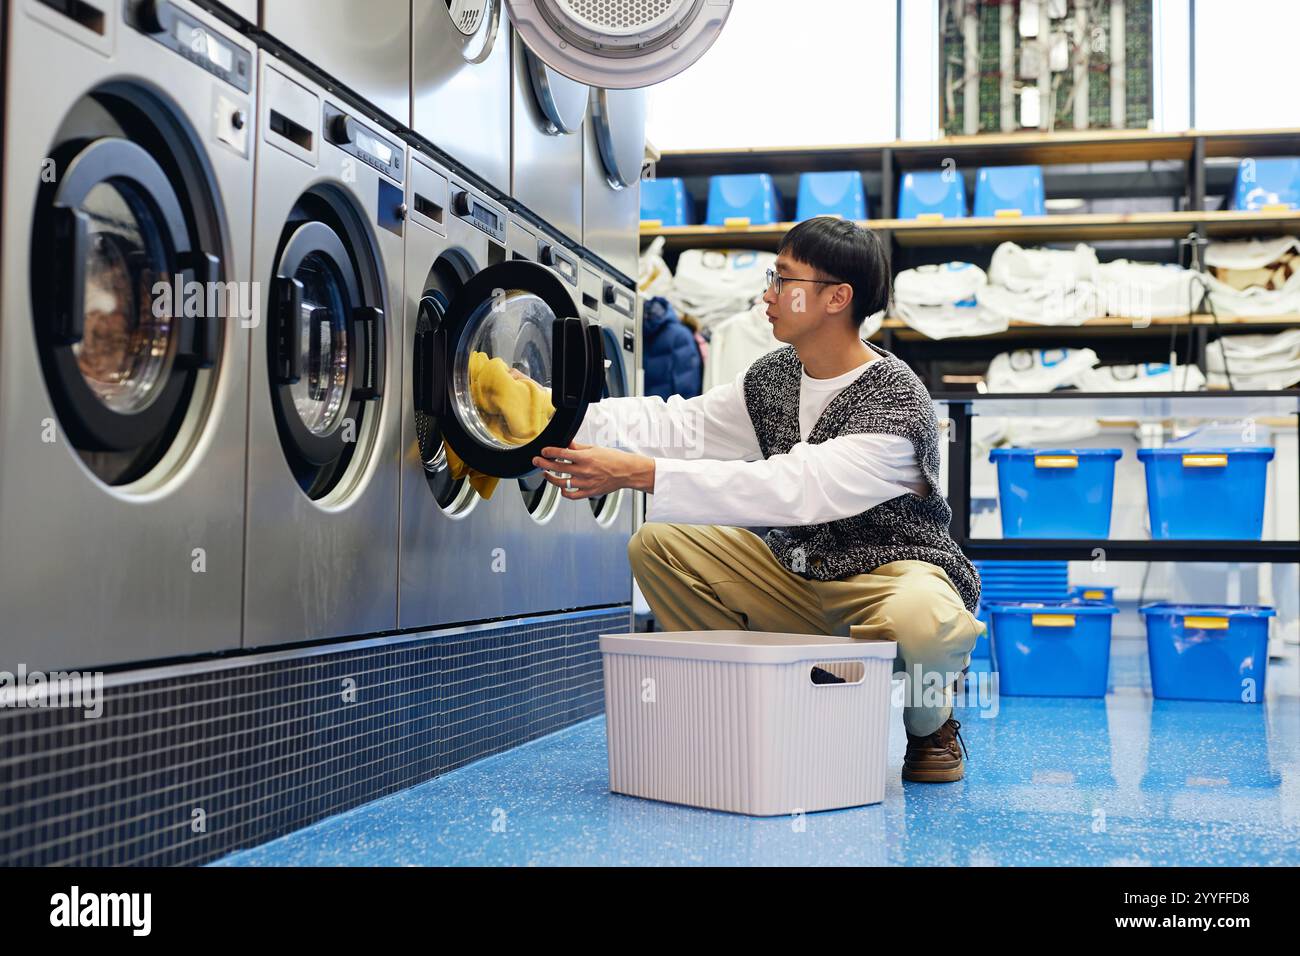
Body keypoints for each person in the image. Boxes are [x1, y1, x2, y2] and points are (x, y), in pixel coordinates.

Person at [532, 216, 985, 783]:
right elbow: (680, 425)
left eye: (782, 279)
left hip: (887, 580)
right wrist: (545, 414)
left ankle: (930, 724)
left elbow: (795, 490)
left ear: (836, 298)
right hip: (796, 574)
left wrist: (639, 475)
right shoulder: (775, 378)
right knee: (661, 545)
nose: (765, 294)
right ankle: (751, 706)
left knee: (925, 619)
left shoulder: (895, 399)